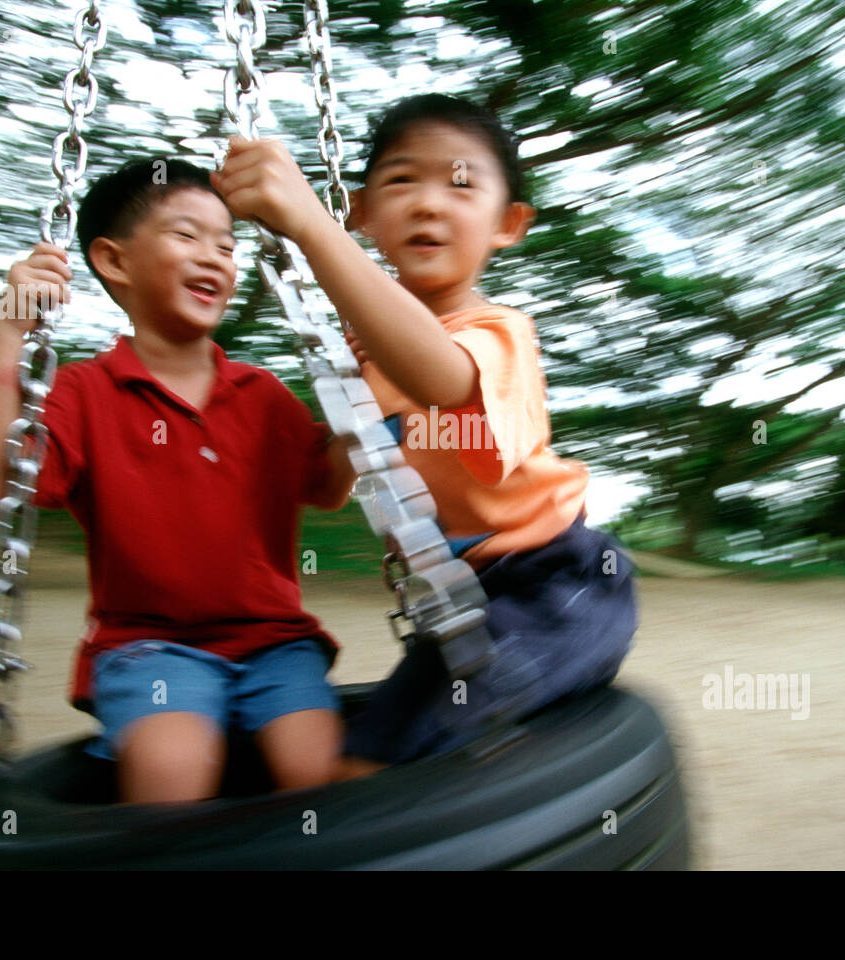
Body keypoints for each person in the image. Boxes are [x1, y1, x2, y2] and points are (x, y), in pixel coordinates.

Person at [211, 93, 637, 774]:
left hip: (555, 587)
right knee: (349, 761)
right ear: (366, 213)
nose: (430, 202)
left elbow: (443, 380)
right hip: (459, 607)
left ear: (509, 223)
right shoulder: (366, 356)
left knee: (378, 773)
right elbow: (324, 484)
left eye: (461, 184)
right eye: (403, 180)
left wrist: (316, 231)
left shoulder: (496, 333)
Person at [0, 157, 357, 802]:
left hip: (276, 646)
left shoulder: (264, 396)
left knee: (314, 776)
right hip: (149, 651)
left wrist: (368, 396)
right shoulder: (83, 394)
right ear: (115, 263)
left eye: (226, 245)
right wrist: (10, 327)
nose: (215, 257)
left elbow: (331, 484)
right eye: (186, 236)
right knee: (173, 778)